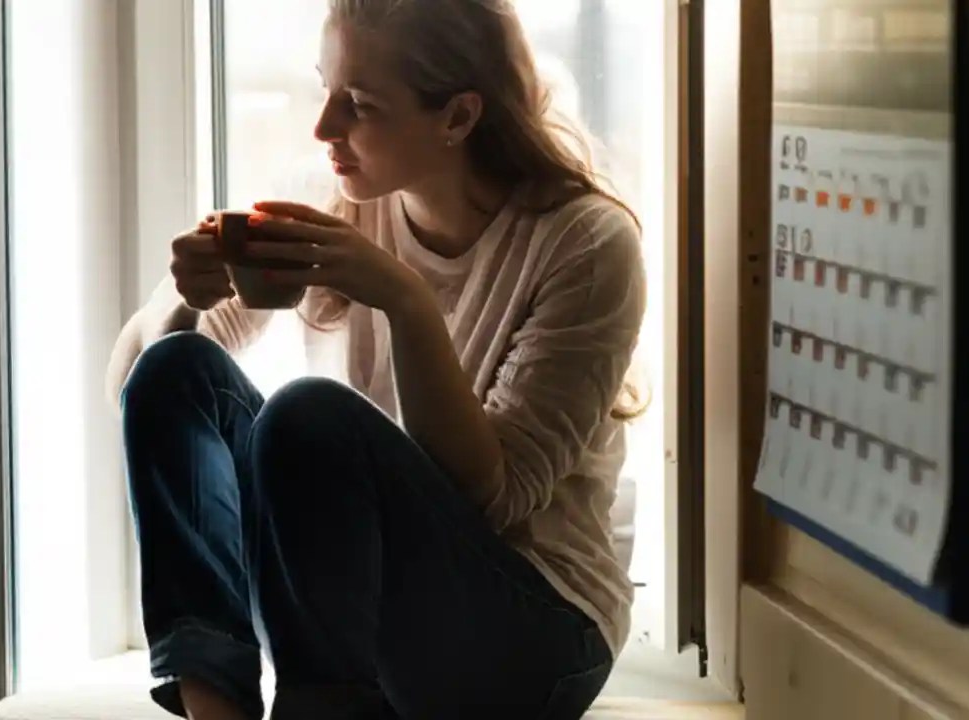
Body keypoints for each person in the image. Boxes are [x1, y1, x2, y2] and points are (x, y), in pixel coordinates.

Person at [105, 1, 646, 718]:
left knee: (308, 416)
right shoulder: (336, 196)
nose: (324, 127)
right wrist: (188, 299)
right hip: (377, 618)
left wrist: (404, 299)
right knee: (180, 370)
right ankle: (217, 709)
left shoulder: (586, 243)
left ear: (457, 118)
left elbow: (496, 495)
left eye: (357, 104)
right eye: (326, 89)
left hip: (536, 632)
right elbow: (138, 385)